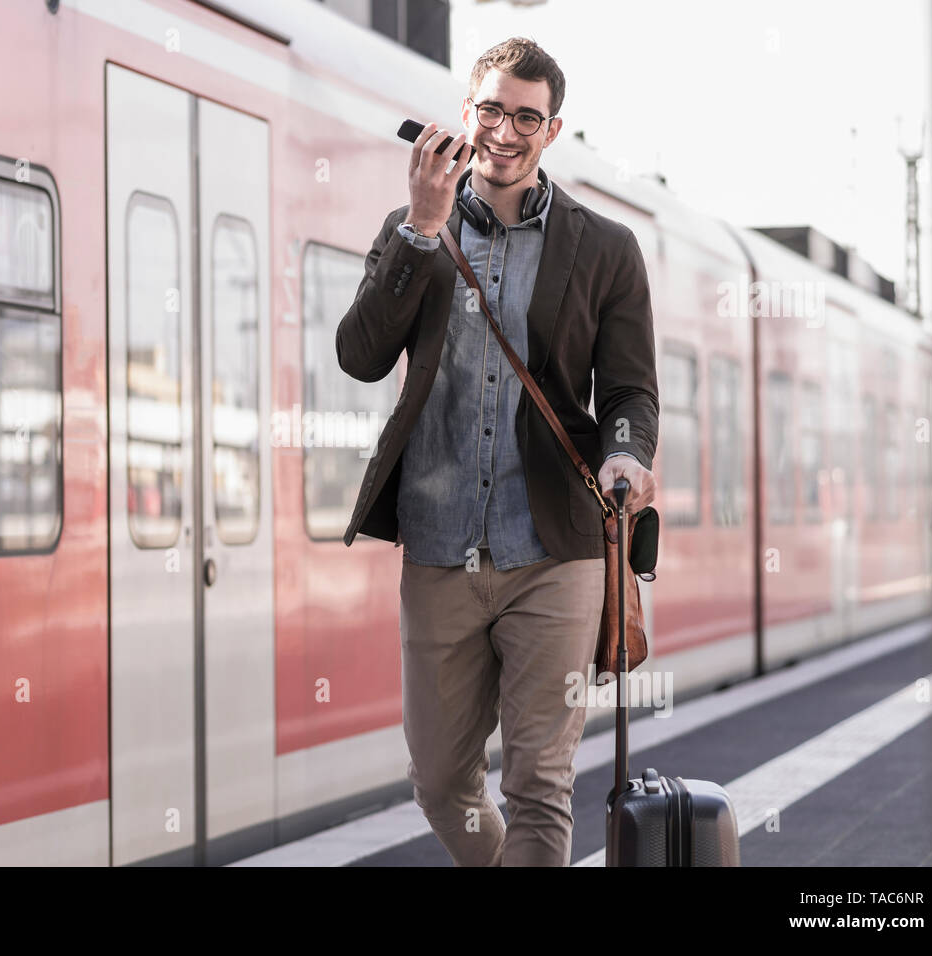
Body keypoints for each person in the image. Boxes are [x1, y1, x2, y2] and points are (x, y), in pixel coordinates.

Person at [335, 37, 659, 866]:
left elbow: (628, 393)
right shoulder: (412, 228)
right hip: (439, 546)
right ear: (466, 113)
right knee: (441, 783)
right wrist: (420, 228)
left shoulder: (606, 247)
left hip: (554, 549)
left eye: (527, 117)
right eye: (491, 111)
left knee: (539, 787)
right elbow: (360, 354)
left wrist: (626, 455)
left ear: (553, 130)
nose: (505, 133)